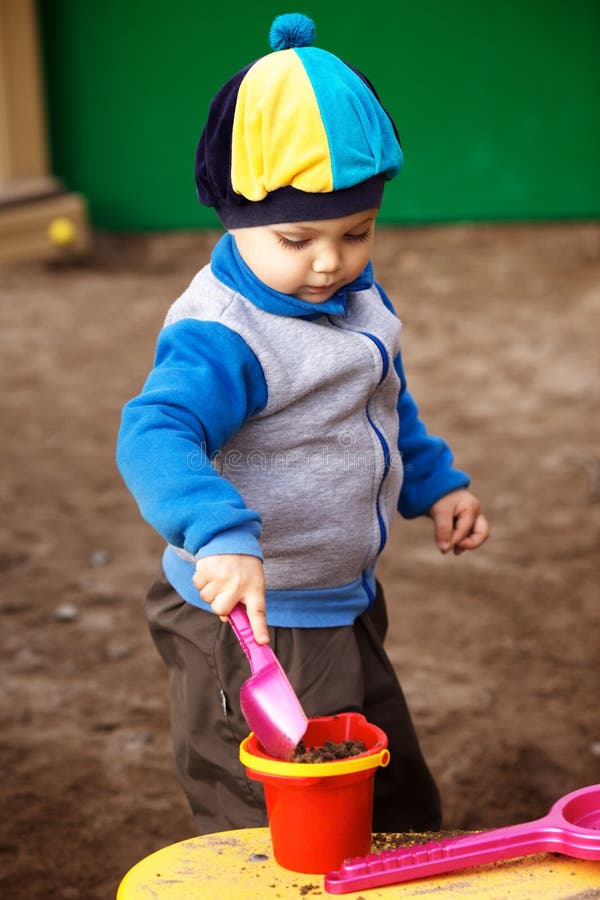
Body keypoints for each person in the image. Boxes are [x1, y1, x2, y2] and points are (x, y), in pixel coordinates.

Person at [116, 13, 489, 836]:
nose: (329, 262)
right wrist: (217, 532)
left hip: (341, 598)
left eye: (356, 233)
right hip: (257, 620)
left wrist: (435, 482)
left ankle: (396, 862)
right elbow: (155, 432)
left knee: (385, 781)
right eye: (297, 238)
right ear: (233, 217)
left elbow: (378, 396)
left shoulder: (355, 299)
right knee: (280, 814)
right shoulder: (225, 335)